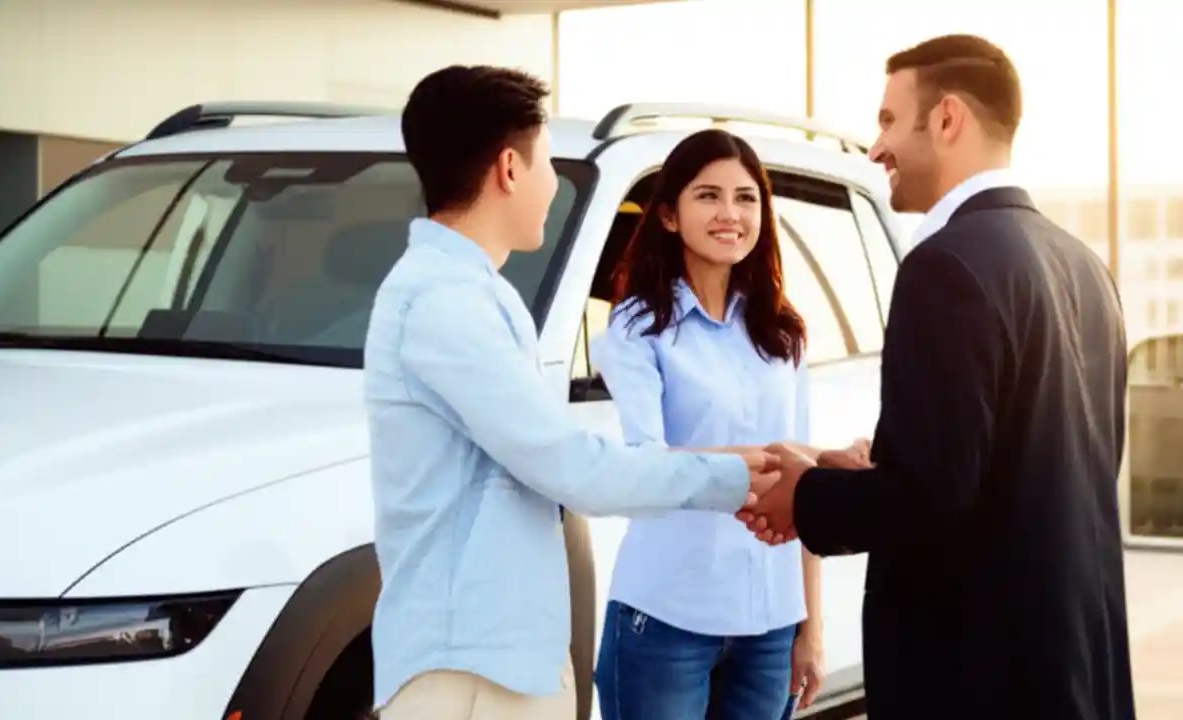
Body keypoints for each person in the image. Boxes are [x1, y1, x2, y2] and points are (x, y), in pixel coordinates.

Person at [363, 66, 779, 720]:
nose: (552, 184)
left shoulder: (476, 293)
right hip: (469, 668)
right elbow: (571, 468)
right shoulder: (445, 304)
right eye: (546, 162)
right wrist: (739, 477)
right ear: (508, 169)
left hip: (498, 655)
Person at [740, 34, 1137, 720]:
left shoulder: (944, 266)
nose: (876, 148)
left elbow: (932, 500)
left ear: (947, 119)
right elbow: (1027, 473)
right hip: (1072, 672)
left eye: (890, 120)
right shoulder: (1082, 264)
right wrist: (876, 469)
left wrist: (805, 498)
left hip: (978, 682)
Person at [588, 128, 872, 720]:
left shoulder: (781, 331)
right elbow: (644, 465)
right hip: (667, 615)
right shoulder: (637, 328)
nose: (730, 214)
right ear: (668, 215)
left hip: (769, 624)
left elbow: (801, 496)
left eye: (746, 198)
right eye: (708, 196)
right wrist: (797, 458)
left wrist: (809, 629)